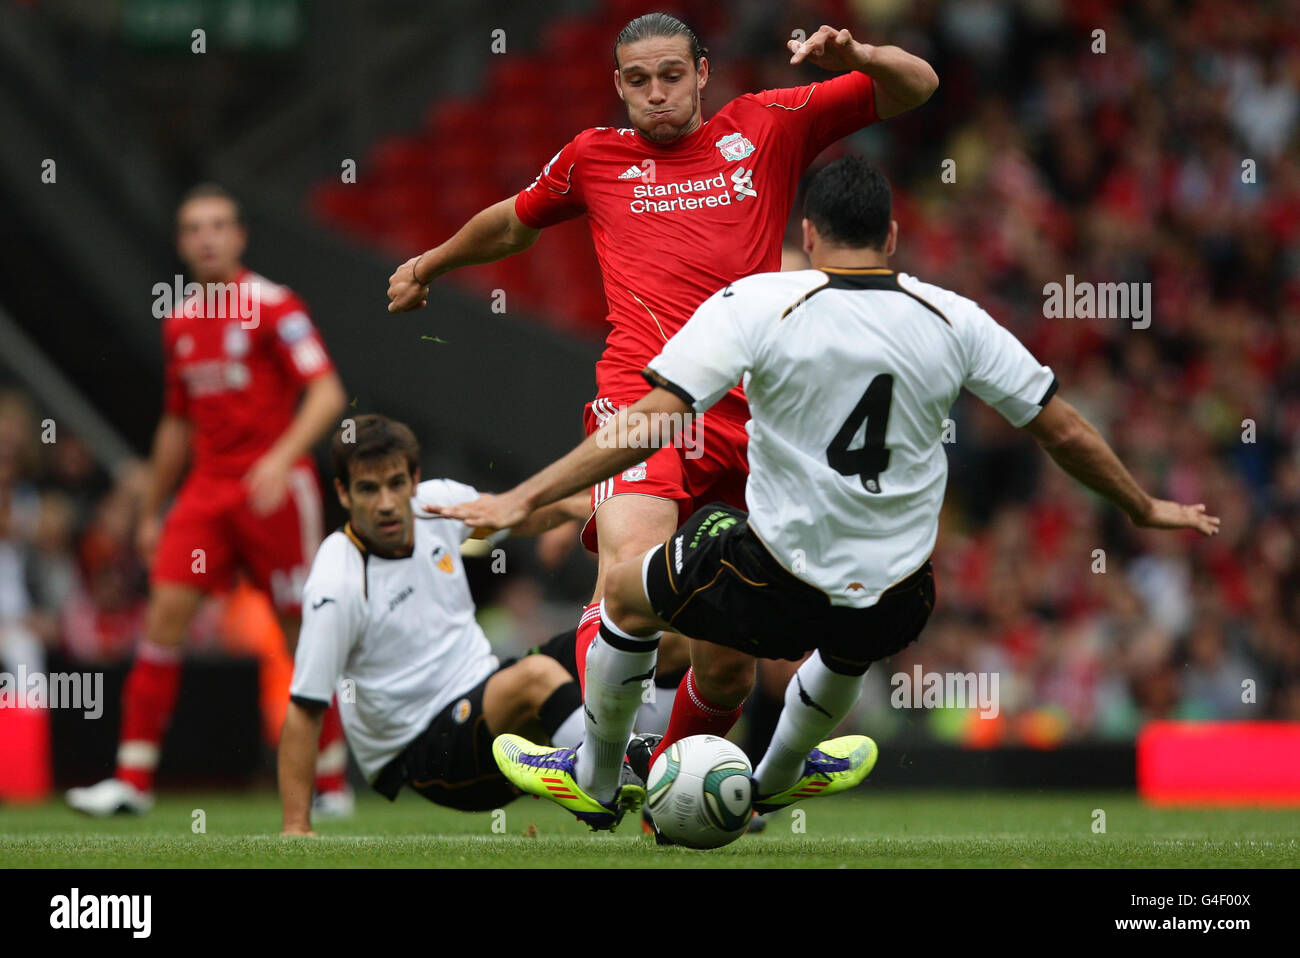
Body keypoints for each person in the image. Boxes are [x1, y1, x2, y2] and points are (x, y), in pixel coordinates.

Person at [427, 158, 1220, 830]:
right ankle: (778, 772)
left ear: (806, 236)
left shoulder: (760, 302)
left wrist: (522, 496)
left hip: (769, 578)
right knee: (856, 627)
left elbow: (648, 422)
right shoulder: (955, 318)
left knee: (626, 599)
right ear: (894, 238)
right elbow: (1066, 431)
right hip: (901, 597)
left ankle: (596, 777)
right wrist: (1142, 506)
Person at [386, 13, 939, 776]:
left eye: (671, 75)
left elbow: (917, 87)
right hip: (644, 400)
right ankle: (597, 768)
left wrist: (863, 54)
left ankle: (669, 788)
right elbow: (513, 225)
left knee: (726, 668)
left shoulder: (768, 124)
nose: (656, 94)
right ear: (617, 86)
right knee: (629, 579)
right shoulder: (594, 157)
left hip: (755, 409)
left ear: (703, 72)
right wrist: (431, 264)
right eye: (638, 81)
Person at [68, 185, 349, 816]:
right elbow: (176, 424)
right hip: (207, 491)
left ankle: (329, 782)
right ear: (181, 243)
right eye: (195, 228)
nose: (208, 237)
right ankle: (132, 783)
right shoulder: (179, 321)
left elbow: (327, 394)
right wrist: (150, 509)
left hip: (274, 489)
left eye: (220, 225)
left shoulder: (276, 306)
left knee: (298, 631)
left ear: (240, 236)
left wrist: (281, 458)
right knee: (163, 617)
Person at [280, 415, 599, 834]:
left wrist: (582, 505)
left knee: (613, 639)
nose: (387, 503)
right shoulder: (335, 582)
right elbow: (305, 707)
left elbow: (515, 517)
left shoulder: (439, 504)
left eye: (396, 483)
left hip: (485, 694)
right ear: (342, 493)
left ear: (414, 480)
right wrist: (295, 829)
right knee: (537, 675)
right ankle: (611, 779)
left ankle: (650, 783)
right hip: (424, 752)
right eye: (368, 489)